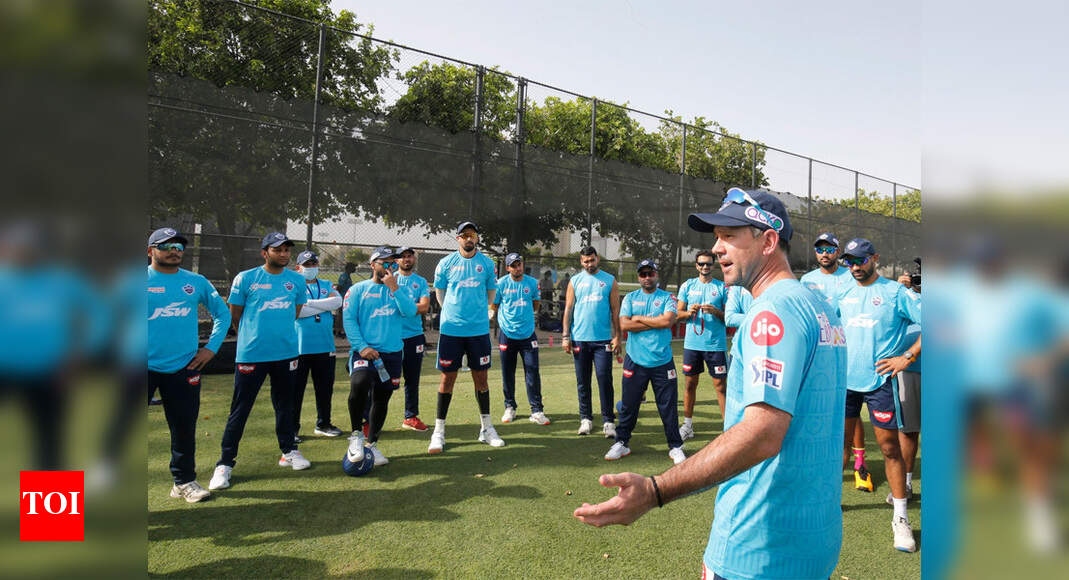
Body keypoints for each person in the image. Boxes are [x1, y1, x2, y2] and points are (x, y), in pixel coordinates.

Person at [574, 188, 847, 580]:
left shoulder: (770, 312)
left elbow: (762, 434)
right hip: (813, 543)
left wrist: (655, 490)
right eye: (716, 236)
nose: (717, 248)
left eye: (730, 235)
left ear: (768, 240)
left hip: (756, 549)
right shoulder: (820, 307)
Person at [837, 237, 922, 553]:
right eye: (849, 261)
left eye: (860, 260)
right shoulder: (842, 291)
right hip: (843, 383)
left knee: (889, 449)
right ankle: (831, 505)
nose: (855, 267)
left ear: (875, 258)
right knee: (841, 447)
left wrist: (907, 357)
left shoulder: (895, 292)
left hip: (880, 383)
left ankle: (900, 519)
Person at [209, 232, 311, 491]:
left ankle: (289, 450)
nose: (284, 254)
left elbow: (295, 313)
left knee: (285, 406)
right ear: (265, 252)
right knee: (240, 410)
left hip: (287, 354)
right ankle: (225, 464)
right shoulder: (246, 278)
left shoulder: (297, 281)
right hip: (251, 354)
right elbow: (236, 315)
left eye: (287, 250)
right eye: (278, 250)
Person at [146, 227, 230, 502]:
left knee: (183, 427)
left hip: (185, 367)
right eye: (166, 246)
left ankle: (183, 481)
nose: (174, 251)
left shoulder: (196, 282)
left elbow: (222, 315)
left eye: (179, 247)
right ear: (150, 251)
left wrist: (210, 349)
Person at [800, 233, 872, 491]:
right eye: (820, 249)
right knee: (821, 409)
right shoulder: (806, 280)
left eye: (829, 248)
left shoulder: (851, 275)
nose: (824, 253)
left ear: (837, 251)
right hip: (818, 352)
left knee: (849, 411)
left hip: (847, 351)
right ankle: (821, 463)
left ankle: (860, 464)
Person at [428, 221, 503, 453]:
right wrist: (453, 313)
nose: (468, 238)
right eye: (464, 235)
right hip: (451, 330)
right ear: (457, 238)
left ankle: (486, 428)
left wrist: (482, 312)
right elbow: (440, 294)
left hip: (478, 331)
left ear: (477, 238)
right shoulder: (445, 263)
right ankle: (439, 432)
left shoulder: (487, 264)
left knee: (481, 380)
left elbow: (491, 293)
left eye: (472, 235)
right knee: (447, 380)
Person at [342, 246, 416, 466]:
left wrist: (395, 289)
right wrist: (362, 347)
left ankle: (372, 445)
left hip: (392, 354)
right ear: (373, 264)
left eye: (393, 263)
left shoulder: (399, 288)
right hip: (364, 352)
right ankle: (356, 435)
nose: (390, 267)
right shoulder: (357, 290)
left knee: (382, 398)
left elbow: (410, 312)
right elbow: (349, 320)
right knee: (360, 382)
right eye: (385, 262)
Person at [607, 259, 684, 464]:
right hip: (636, 361)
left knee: (668, 407)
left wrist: (639, 318)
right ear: (639, 277)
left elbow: (668, 321)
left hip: (662, 361)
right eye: (643, 274)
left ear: (656, 275)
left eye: (650, 274)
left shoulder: (668, 297)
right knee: (629, 405)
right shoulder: (630, 297)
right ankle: (622, 442)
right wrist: (655, 322)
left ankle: (675, 446)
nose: (647, 277)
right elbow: (625, 324)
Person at [562, 246, 621, 437]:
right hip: (580, 339)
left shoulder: (609, 280)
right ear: (581, 262)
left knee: (604, 379)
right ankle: (585, 419)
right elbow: (568, 310)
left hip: (602, 340)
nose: (589, 264)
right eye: (586, 261)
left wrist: (618, 336)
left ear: (597, 259)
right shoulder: (575, 281)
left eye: (592, 260)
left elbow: (615, 311)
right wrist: (565, 336)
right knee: (583, 381)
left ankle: (608, 422)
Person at [491, 253, 550, 425]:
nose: (518, 268)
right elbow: (494, 305)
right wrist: (503, 321)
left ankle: (537, 410)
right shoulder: (501, 283)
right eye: (514, 265)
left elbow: (535, 303)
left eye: (519, 264)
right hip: (507, 335)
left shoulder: (532, 283)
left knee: (532, 371)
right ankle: (510, 407)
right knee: (507, 372)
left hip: (527, 335)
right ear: (508, 267)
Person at [675, 250, 728, 439]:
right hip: (692, 345)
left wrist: (716, 312)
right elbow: (677, 314)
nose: (705, 267)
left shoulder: (722, 287)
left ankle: (727, 428)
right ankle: (687, 426)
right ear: (696, 265)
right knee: (690, 384)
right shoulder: (687, 286)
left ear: (713, 265)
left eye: (708, 264)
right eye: (701, 264)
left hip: (716, 345)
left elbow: (729, 318)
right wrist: (688, 312)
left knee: (721, 386)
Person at [292, 250, 344, 440]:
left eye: (314, 264)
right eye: (307, 265)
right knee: (295, 391)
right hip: (299, 348)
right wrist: (323, 305)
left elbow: (337, 301)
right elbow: (297, 311)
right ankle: (292, 429)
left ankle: (323, 424)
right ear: (298, 268)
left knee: (324, 389)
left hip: (325, 347)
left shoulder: (326, 283)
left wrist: (309, 303)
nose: (312, 268)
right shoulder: (293, 285)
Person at [395, 246, 432, 431]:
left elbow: (424, 307)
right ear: (396, 260)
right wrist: (412, 306)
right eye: (403, 257)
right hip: (391, 337)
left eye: (410, 256)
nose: (407, 259)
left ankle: (410, 416)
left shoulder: (420, 282)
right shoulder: (390, 280)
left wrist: (404, 307)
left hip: (414, 337)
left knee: (412, 379)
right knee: (384, 380)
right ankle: (369, 420)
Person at [334, 261, 356, 336]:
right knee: (341, 315)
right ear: (349, 268)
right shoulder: (344, 276)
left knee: (343, 314)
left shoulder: (347, 275)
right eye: (353, 267)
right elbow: (339, 287)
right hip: (342, 297)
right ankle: (338, 331)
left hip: (346, 297)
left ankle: (340, 330)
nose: (355, 268)